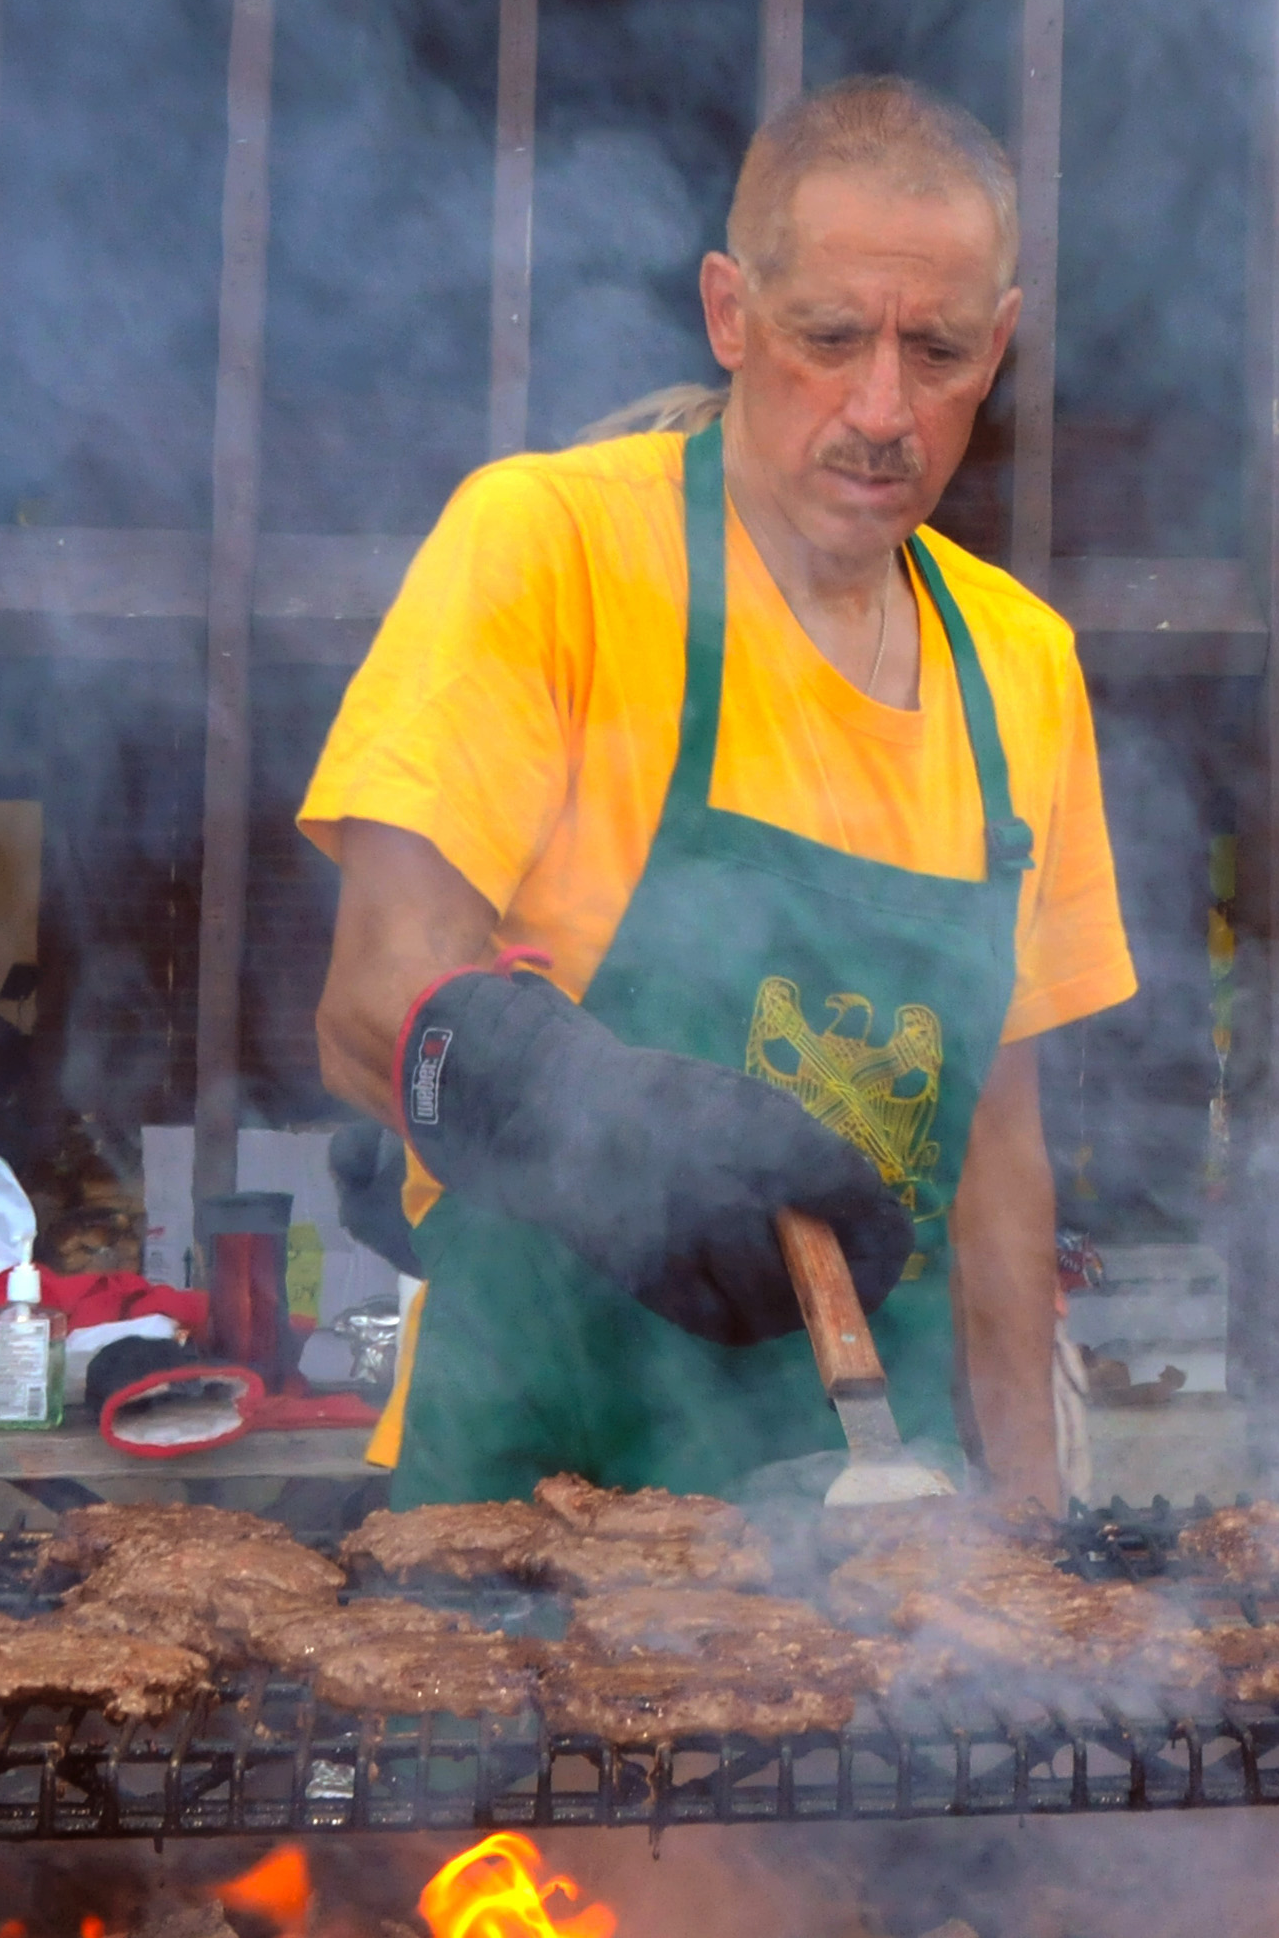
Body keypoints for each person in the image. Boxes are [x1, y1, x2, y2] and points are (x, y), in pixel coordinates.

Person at [305, 76, 1139, 1508]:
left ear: (998, 346)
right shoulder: (550, 545)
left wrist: (1035, 1546)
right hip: (535, 1505)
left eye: (935, 351)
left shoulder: (1022, 669)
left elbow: (1000, 1160)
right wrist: (612, 1122)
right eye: (828, 338)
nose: (882, 410)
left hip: (882, 1528)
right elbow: (375, 1000)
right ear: (730, 312)